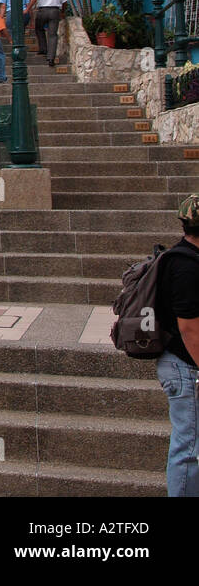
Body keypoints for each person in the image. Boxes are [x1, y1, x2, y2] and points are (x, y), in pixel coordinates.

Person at [154, 194, 199, 496]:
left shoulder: (185, 258)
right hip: (185, 366)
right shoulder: (186, 266)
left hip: (183, 364)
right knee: (189, 445)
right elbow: (189, 327)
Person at [25, 0, 68, 67]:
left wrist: (28, 9)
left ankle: (43, 49)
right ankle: (51, 58)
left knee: (39, 28)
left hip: (43, 11)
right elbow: (65, 2)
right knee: (52, 34)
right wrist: (62, 12)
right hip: (55, 11)